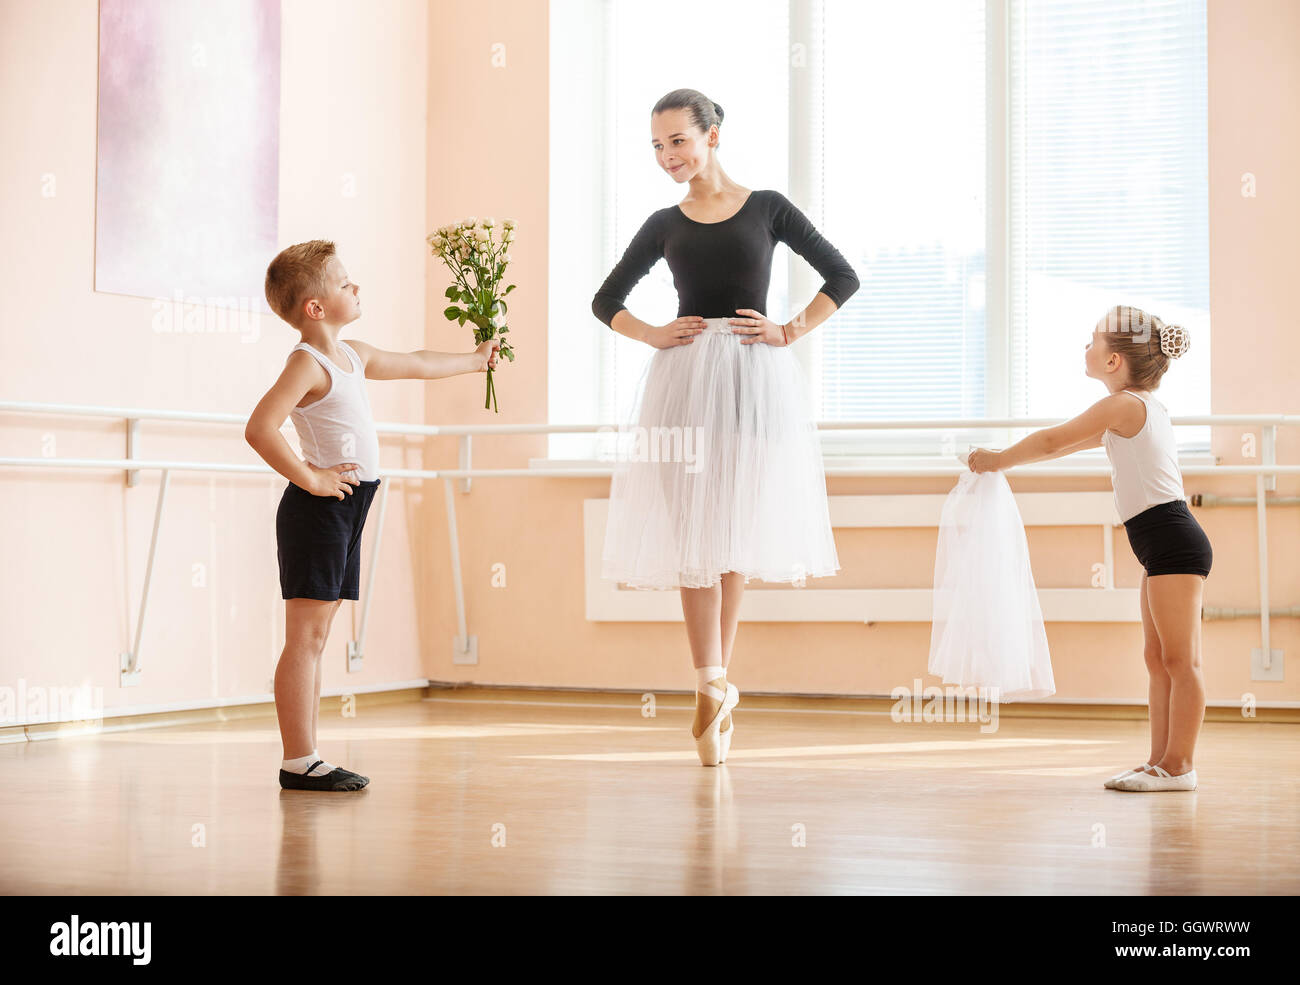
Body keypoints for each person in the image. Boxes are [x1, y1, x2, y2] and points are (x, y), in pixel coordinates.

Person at [591, 89, 860, 766]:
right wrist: (654, 333)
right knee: (693, 533)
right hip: (684, 379)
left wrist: (788, 330)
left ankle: (719, 680)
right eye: (656, 145)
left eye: (677, 140)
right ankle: (708, 682)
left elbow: (843, 275)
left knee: (732, 528)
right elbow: (605, 301)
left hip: (751, 376)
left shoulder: (767, 207)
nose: (667, 156)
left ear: (713, 134)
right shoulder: (662, 221)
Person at [246, 239, 499, 791]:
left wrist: (474, 360)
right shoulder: (306, 364)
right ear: (315, 307)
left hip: (349, 506)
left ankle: (305, 756)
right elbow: (260, 428)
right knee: (305, 639)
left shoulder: (353, 354)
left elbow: (415, 362)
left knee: (317, 636)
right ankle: (299, 760)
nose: (355, 287)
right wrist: (312, 477)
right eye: (344, 283)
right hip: (319, 509)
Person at [968, 305, 1209, 792]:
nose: (1085, 349)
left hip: (1173, 541)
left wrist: (997, 460)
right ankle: (1159, 760)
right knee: (1157, 657)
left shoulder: (1126, 405)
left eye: (1092, 341)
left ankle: (1180, 766)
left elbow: (1053, 437)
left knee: (1182, 660)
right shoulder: (1131, 409)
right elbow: (1061, 447)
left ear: (1114, 360)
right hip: (1161, 544)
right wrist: (1006, 462)